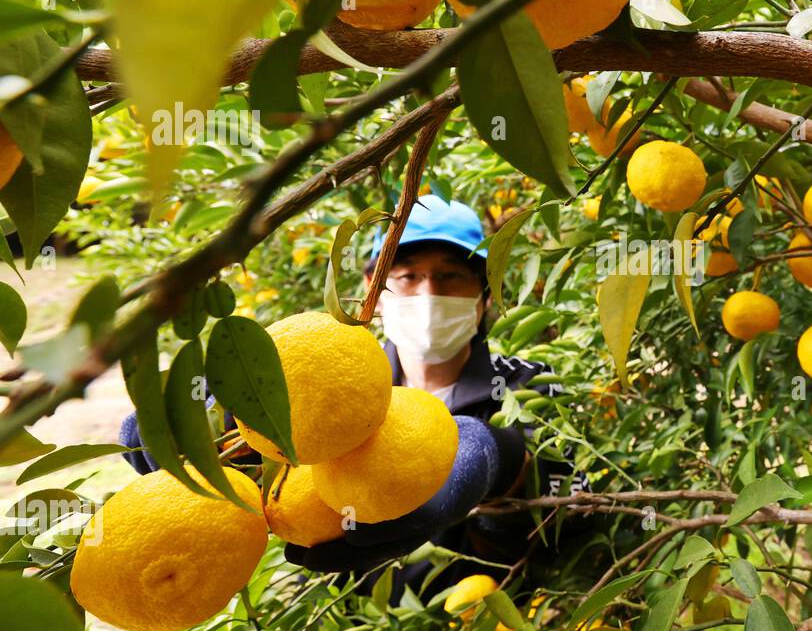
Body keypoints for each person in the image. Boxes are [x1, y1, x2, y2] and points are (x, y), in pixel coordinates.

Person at [119, 194, 585, 598]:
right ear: (375, 290)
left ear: (483, 295)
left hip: (489, 627)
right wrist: (218, 431)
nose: (428, 293)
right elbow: (266, 457)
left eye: (450, 278)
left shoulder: (527, 383)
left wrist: (495, 462)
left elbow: (578, 507)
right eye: (408, 276)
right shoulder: (321, 387)